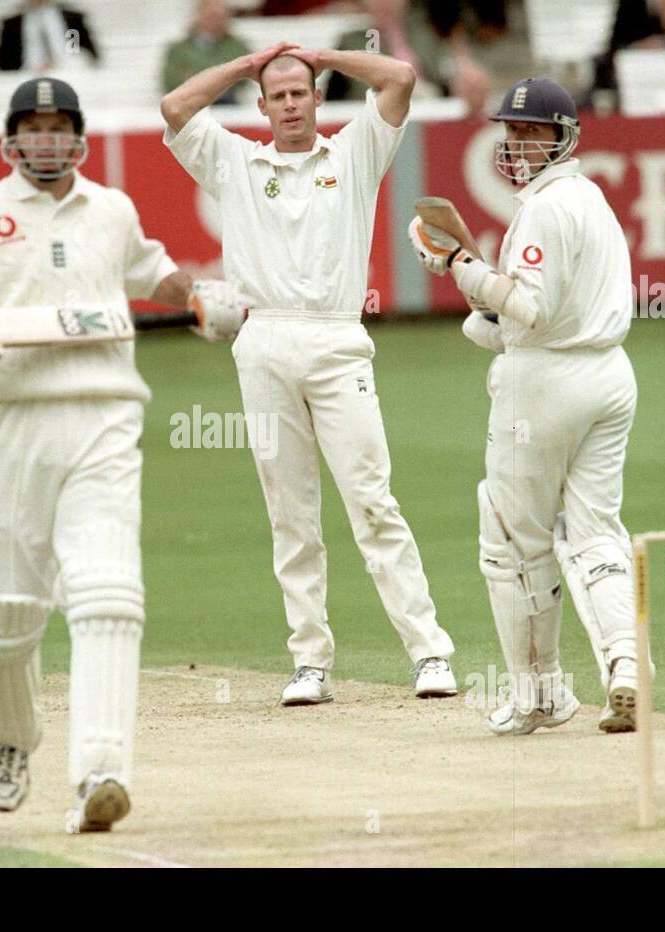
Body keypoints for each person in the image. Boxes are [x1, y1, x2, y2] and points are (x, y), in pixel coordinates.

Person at [0, 77, 238, 831]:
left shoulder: (112, 210)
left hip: (105, 412)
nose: (48, 141)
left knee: (108, 591)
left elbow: (155, 274)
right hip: (8, 418)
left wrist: (201, 299)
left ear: (79, 138)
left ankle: (101, 773)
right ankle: (11, 739)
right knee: (8, 610)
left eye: (61, 128)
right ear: (11, 139)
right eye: (35, 128)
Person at [161, 43, 460, 707]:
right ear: (262, 106)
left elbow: (402, 76)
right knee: (289, 512)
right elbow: (177, 106)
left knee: (372, 500)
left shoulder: (353, 153)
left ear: (318, 97)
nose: (291, 104)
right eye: (279, 95)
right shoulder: (238, 161)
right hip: (262, 337)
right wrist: (247, 66)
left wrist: (315, 54)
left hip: (335, 337)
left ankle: (429, 651)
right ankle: (310, 662)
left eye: (302, 92)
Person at [408, 77, 640, 736]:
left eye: (530, 133)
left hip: (544, 386)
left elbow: (531, 310)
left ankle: (538, 695)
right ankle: (625, 665)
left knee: (511, 540)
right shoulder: (591, 199)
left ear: (561, 137)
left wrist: (458, 264)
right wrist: (484, 295)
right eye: (510, 133)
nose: (515, 145)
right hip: (610, 377)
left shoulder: (542, 210)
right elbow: (521, 313)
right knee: (596, 532)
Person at [162, 0, 253, 105]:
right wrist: (224, 77)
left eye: (219, 17)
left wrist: (195, 78)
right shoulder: (178, 49)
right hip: (188, 104)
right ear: (198, 17)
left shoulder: (238, 47)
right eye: (210, 16)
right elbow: (170, 81)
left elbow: (244, 77)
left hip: (227, 104)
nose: (215, 22)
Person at [0, 0, 99, 72]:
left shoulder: (73, 18)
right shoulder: (12, 23)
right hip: (26, 75)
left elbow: (86, 51)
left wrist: (71, 63)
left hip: (68, 72)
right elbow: (3, 63)